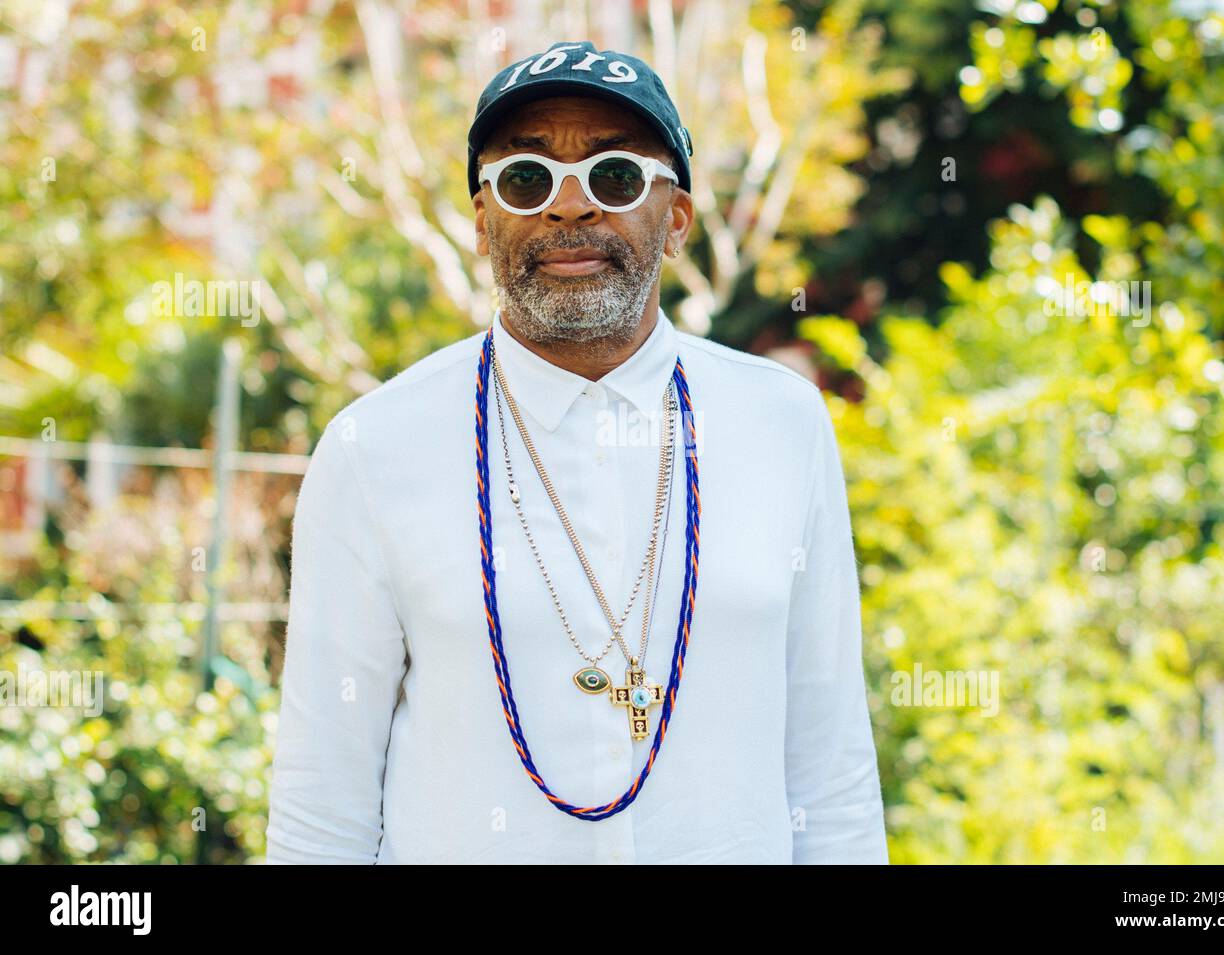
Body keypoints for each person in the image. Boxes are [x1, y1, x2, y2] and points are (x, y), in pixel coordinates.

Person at [266, 39, 888, 864]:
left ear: (675, 217)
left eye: (615, 175)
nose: (570, 207)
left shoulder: (781, 423)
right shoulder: (373, 447)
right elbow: (323, 801)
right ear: (485, 218)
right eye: (527, 177)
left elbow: (830, 766)